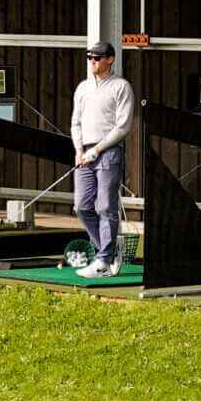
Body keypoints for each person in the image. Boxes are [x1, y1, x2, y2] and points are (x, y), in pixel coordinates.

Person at [69, 41, 134, 276]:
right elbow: (75, 122)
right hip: (83, 153)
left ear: (110, 59)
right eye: (90, 57)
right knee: (82, 207)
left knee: (106, 206)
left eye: (97, 58)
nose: (93, 62)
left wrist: (95, 150)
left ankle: (103, 262)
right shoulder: (83, 88)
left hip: (108, 151)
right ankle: (108, 251)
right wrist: (79, 150)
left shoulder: (121, 86)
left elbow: (123, 127)